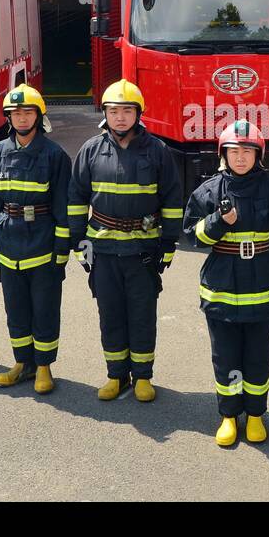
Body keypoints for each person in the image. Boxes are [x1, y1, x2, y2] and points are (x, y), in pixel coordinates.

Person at [184, 120, 269, 446]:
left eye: (247, 151)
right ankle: (228, 415)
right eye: (234, 151)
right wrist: (219, 222)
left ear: (257, 155)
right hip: (221, 287)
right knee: (225, 356)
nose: (240, 157)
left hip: (261, 287)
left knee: (258, 357)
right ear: (223, 154)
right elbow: (193, 236)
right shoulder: (208, 191)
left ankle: (255, 414)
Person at [68, 79, 184, 403]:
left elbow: (172, 199)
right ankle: (116, 375)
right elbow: (76, 197)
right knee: (111, 314)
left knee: (142, 314)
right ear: (105, 113)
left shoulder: (157, 151)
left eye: (127, 110)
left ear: (138, 113)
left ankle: (143, 377)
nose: (120, 117)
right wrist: (79, 243)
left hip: (143, 249)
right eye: (114, 110)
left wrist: (169, 244)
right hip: (103, 248)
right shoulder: (90, 150)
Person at [0, 85, 72, 393]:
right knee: (15, 309)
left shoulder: (54, 155)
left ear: (38, 116)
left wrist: (61, 251)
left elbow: (63, 207)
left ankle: (43, 366)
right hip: (8, 242)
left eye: (27, 112)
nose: (21, 118)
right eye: (15, 113)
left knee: (44, 309)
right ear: (8, 117)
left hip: (42, 242)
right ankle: (22, 363)